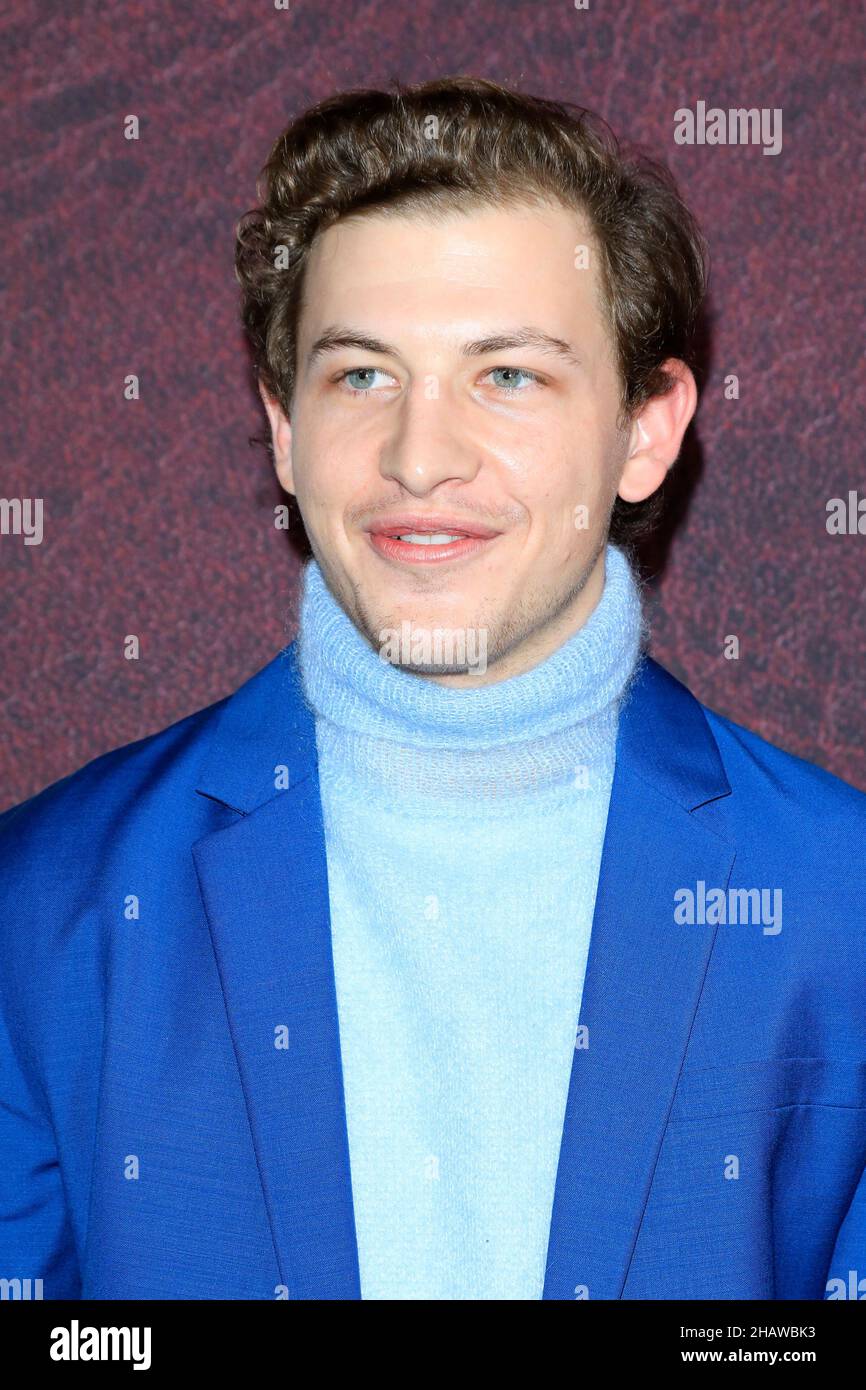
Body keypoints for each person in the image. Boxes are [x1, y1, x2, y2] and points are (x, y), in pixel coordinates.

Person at [1, 77, 864, 1302]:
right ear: (284, 429)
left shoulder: (839, 905)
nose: (418, 457)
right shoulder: (40, 907)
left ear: (645, 430)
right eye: (361, 376)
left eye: (506, 375)